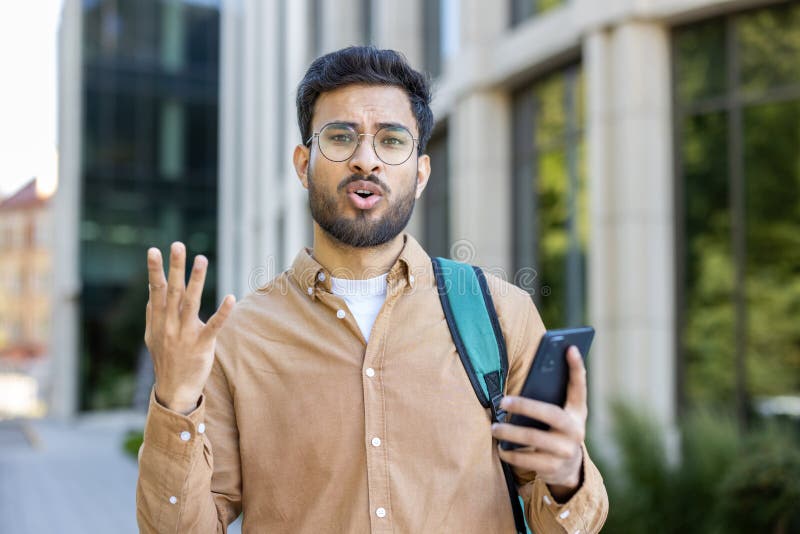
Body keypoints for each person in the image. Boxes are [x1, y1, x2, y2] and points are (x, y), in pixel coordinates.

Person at [136, 46, 608, 533]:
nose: (366, 160)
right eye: (340, 137)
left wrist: (568, 476)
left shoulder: (499, 314)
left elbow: (565, 523)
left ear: (421, 174)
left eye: (391, 140)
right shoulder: (238, 337)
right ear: (303, 164)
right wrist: (174, 398)